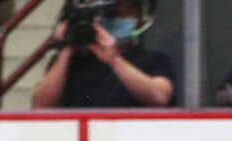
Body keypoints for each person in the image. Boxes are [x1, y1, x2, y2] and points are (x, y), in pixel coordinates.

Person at [32, 0, 173, 109]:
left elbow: (160, 96)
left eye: (125, 13)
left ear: (140, 19)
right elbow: (41, 104)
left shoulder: (152, 60)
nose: (117, 18)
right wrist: (66, 48)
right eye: (111, 14)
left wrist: (114, 60)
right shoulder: (72, 62)